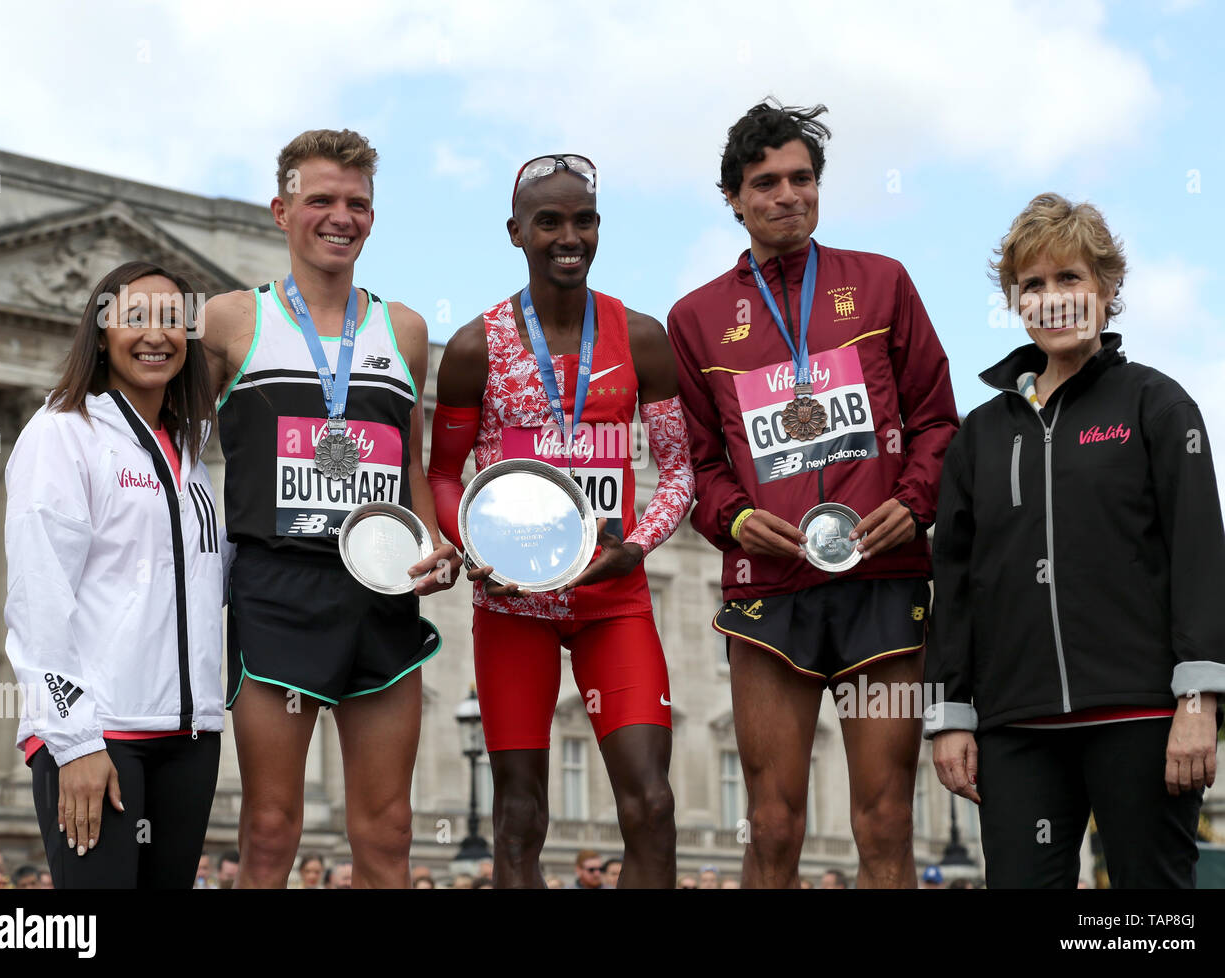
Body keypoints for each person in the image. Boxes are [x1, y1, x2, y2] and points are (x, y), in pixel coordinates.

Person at [668, 99, 959, 889]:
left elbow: (939, 420)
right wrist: (733, 516)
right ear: (734, 198)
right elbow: (693, 464)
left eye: (802, 178)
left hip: (882, 582)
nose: (787, 194)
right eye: (766, 183)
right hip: (771, 596)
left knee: (887, 818)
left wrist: (918, 499)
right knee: (771, 823)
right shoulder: (693, 321)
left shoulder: (882, 282)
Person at [925, 193, 1225, 889]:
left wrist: (1198, 702)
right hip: (1016, 730)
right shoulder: (979, 434)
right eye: (1033, 284)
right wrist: (950, 715)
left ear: (1107, 289)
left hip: (1143, 715)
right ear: (1016, 300)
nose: (1053, 298)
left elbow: (1199, 557)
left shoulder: (1157, 405)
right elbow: (955, 583)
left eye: (1071, 278)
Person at [202, 129, 460, 888]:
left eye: (357, 203)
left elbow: (409, 460)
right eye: (321, 200)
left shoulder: (403, 331)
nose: (339, 216)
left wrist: (436, 539)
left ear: (372, 218)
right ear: (282, 210)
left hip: (379, 592)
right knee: (271, 826)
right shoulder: (228, 321)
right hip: (276, 592)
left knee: (389, 829)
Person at [429, 153, 694, 889]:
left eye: (583, 220)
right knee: (518, 816)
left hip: (612, 598)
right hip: (514, 602)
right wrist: (470, 542)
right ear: (516, 232)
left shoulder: (640, 337)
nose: (567, 236)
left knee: (652, 803)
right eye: (549, 221)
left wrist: (636, 545)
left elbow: (680, 472)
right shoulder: (475, 348)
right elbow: (444, 475)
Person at [4, 262, 225, 888]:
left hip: (189, 735)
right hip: (101, 736)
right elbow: (38, 600)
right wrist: (74, 742)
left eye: (172, 321)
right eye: (135, 318)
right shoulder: (61, 432)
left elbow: (205, 584)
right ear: (100, 334)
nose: (156, 336)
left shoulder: (187, 451)